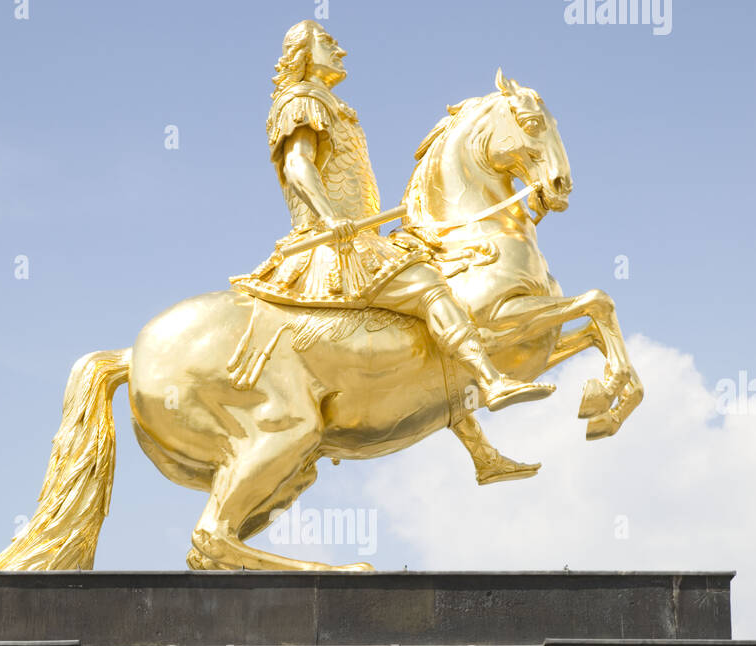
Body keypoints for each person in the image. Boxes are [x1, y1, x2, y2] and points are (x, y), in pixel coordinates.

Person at [231, 20, 554, 413]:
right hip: (335, 246)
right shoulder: (302, 101)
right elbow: (299, 166)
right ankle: (490, 381)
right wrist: (330, 219)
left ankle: (480, 451)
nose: (340, 50)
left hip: (360, 238)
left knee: (422, 330)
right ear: (303, 53)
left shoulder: (332, 107)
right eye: (328, 42)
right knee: (429, 287)